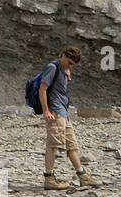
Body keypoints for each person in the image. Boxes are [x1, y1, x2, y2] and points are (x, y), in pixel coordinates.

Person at [39, 46, 102, 189]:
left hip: (64, 113)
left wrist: (67, 72)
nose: (70, 66)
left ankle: (82, 176)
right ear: (62, 55)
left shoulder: (64, 70)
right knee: (53, 145)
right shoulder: (52, 68)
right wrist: (46, 111)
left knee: (72, 145)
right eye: (69, 62)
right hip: (55, 112)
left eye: (73, 64)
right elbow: (42, 89)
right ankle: (49, 178)